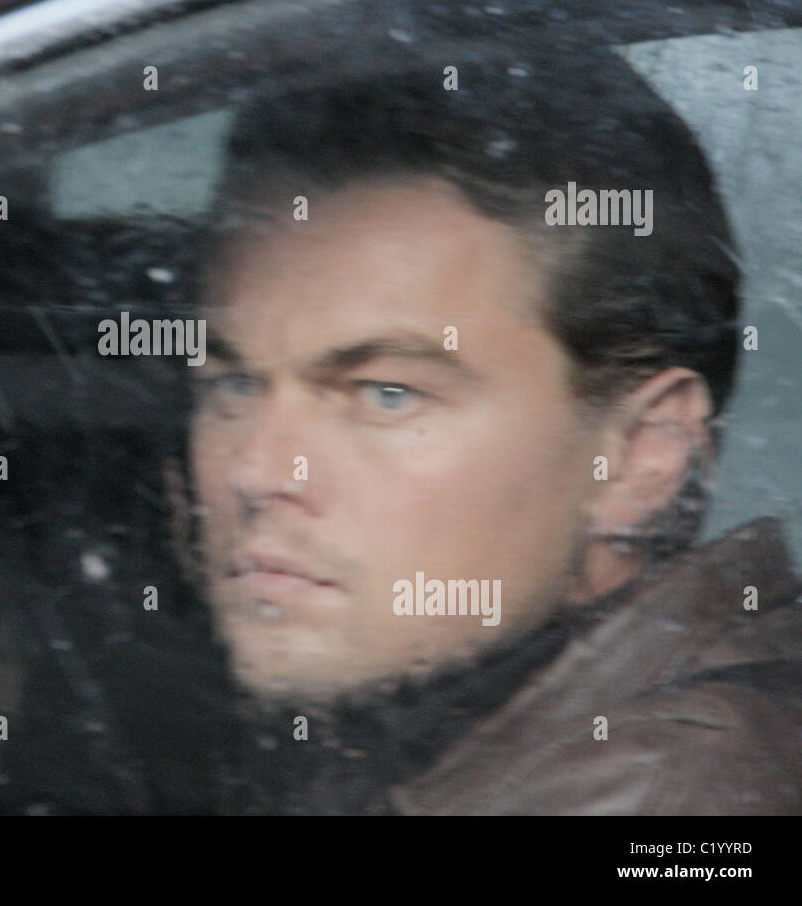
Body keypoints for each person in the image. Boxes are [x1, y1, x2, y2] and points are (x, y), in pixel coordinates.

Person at [179, 52, 802, 814]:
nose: (256, 470)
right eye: (234, 384)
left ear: (643, 453)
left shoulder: (664, 800)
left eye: (387, 393)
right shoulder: (469, 736)